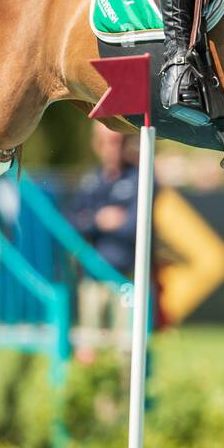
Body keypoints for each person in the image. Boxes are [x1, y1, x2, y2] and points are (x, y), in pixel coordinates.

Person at [69, 126, 143, 333]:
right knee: (89, 343)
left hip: (126, 276)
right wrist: (100, 221)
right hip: (93, 275)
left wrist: (93, 221)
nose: (112, 148)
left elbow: (135, 225)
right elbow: (74, 224)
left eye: (116, 141)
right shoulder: (90, 180)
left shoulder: (139, 178)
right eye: (106, 141)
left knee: (126, 345)